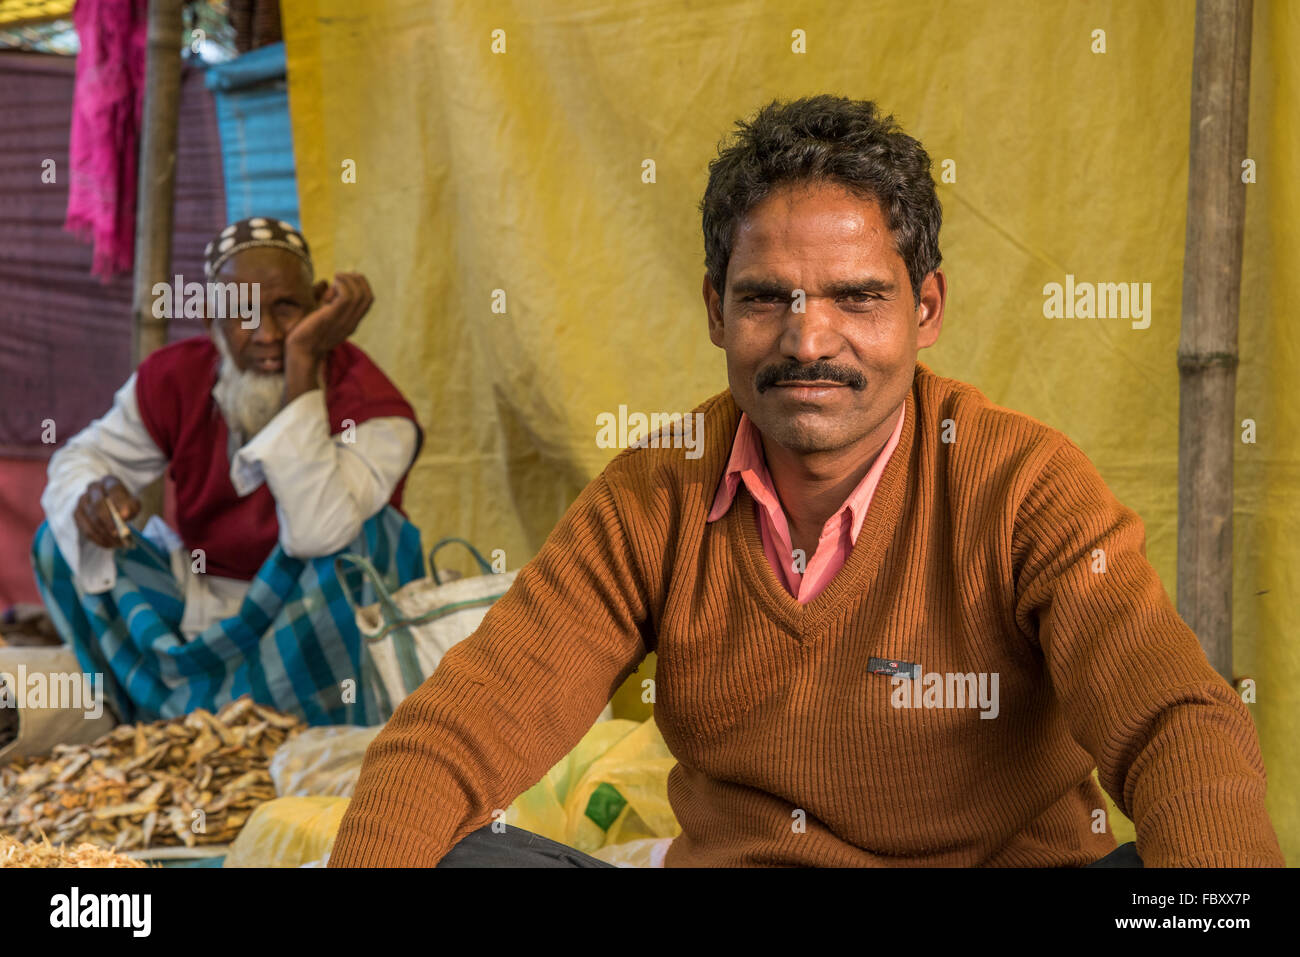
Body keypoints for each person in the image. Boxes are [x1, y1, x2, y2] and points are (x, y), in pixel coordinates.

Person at [329, 97, 1284, 867]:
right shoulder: (652, 497)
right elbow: (460, 728)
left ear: (928, 307)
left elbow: (1175, 724)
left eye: (858, 296)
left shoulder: (1023, 484)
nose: (808, 339)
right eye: (765, 297)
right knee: (471, 862)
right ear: (716, 309)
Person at [28, 217, 425, 730]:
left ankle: (301, 729)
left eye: (287, 308)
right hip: (202, 602)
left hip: (309, 622)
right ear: (212, 316)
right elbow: (78, 460)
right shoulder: (177, 377)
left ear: (321, 305)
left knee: (365, 539)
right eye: (242, 312)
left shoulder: (372, 405)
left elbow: (317, 530)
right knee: (60, 536)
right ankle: (166, 719)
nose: (269, 335)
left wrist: (303, 364)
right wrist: (94, 491)